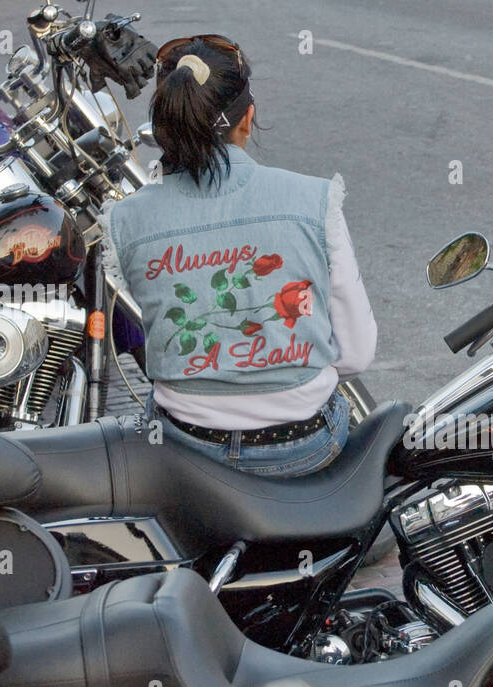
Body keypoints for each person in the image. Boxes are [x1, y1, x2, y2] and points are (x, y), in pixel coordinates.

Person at [101, 35, 376, 477]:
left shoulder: (124, 220)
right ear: (248, 119)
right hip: (302, 446)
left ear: (164, 127)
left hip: (182, 451)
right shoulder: (315, 199)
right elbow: (355, 356)